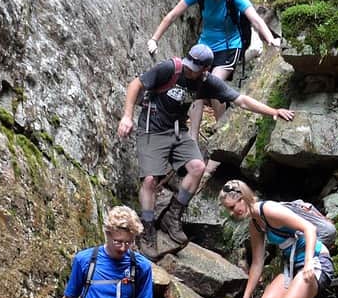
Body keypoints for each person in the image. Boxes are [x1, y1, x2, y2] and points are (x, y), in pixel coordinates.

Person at [119, 44, 296, 237]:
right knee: (150, 179)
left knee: (197, 167)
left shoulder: (208, 83)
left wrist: (274, 112)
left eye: (194, 69)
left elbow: (242, 101)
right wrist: (127, 116)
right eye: (188, 65)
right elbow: (135, 84)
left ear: (205, 70)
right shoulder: (170, 68)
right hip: (151, 128)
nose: (189, 70)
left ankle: (173, 217)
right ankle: (148, 228)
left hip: (177, 130)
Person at [142, 0, 280, 134]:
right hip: (205, 46)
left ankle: (221, 131)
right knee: (196, 89)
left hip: (229, 47)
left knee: (214, 85)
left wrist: (270, 39)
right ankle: (192, 138)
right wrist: (154, 39)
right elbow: (173, 15)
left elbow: (256, 20)